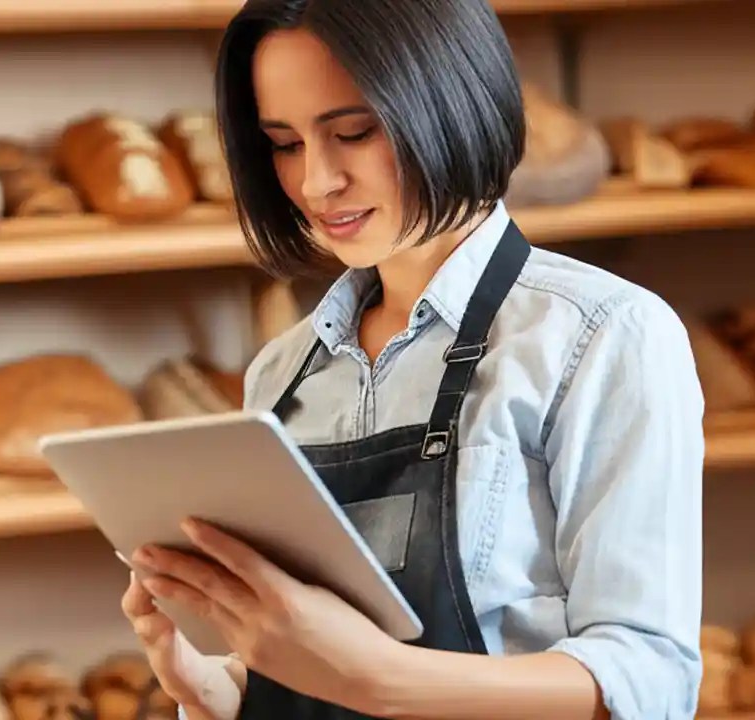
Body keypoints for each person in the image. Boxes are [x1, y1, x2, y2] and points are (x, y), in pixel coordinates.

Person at [120, 0, 705, 718]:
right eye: (285, 144)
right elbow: (306, 670)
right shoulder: (282, 374)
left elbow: (650, 681)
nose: (315, 182)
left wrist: (379, 679)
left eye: (353, 132)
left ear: (451, 104)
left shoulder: (602, 335)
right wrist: (215, 687)